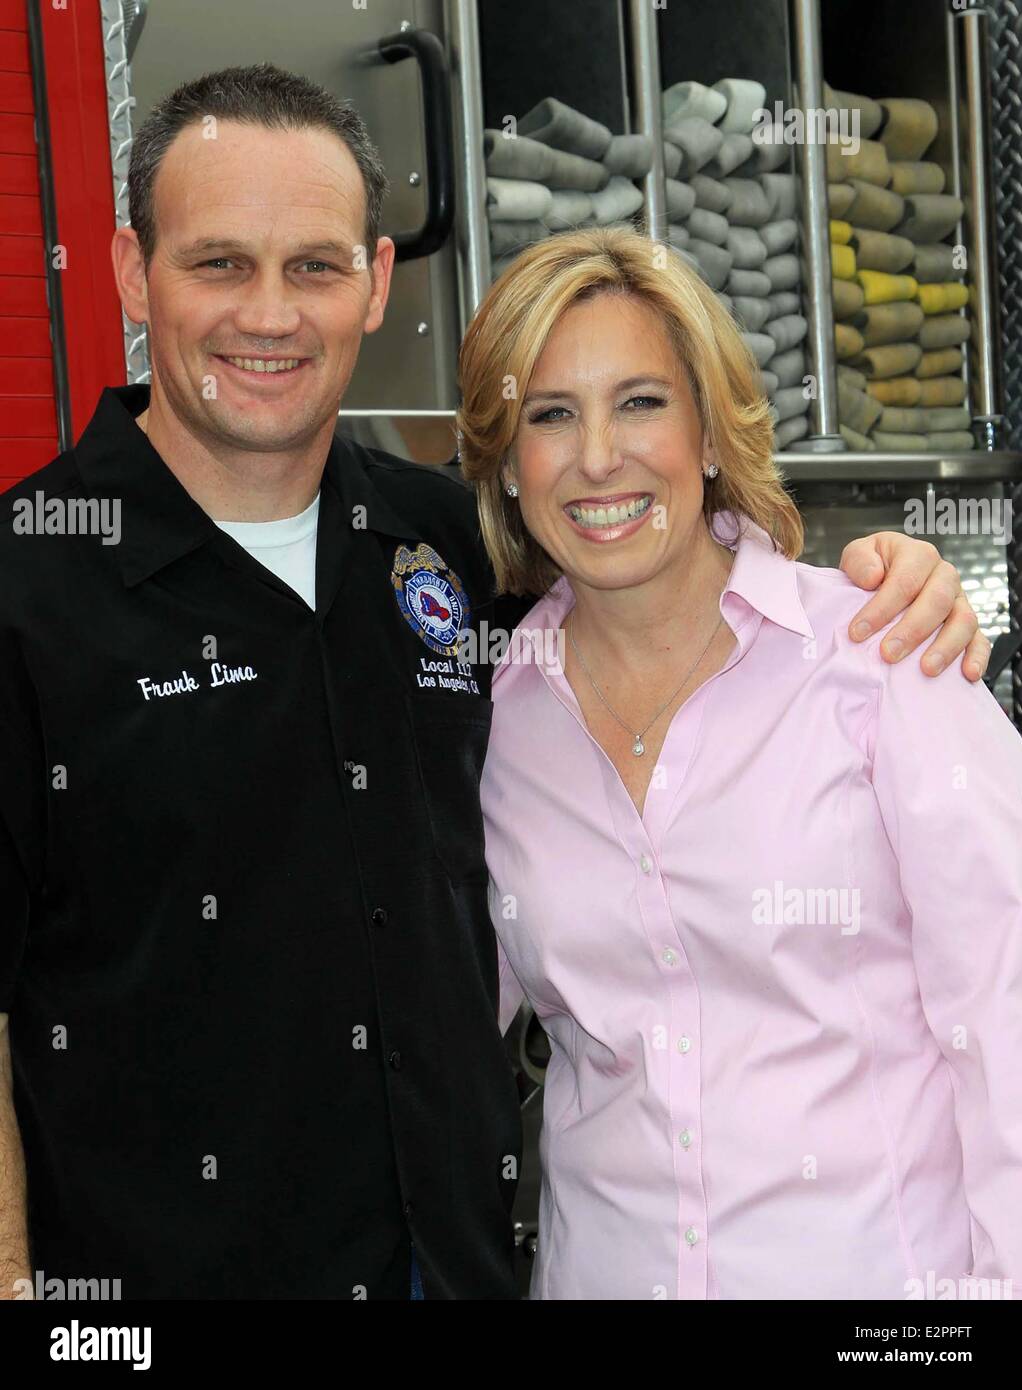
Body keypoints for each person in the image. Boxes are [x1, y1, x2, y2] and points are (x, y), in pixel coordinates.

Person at [0, 65, 988, 1302]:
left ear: (373, 282)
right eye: (217, 264)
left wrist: (891, 582)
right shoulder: (28, 588)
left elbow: (649, 566)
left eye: (312, 265)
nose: (269, 313)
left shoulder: (452, 558)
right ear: (133, 276)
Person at [459, 225, 1022, 1301]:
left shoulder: (882, 657)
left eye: (639, 402)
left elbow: (1003, 1017)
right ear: (506, 463)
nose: (595, 457)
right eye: (548, 415)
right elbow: (427, 1027)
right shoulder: (488, 719)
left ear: (710, 432)